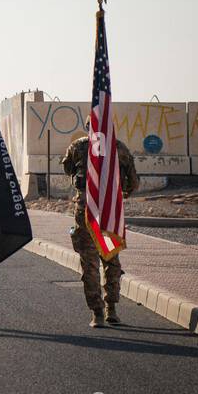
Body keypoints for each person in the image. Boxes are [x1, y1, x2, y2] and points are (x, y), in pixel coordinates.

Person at [60, 128, 138, 327]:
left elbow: (68, 169)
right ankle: (111, 308)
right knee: (111, 259)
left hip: (86, 213)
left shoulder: (78, 146)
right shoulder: (119, 148)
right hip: (109, 212)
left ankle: (97, 313)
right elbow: (133, 183)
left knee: (90, 262)